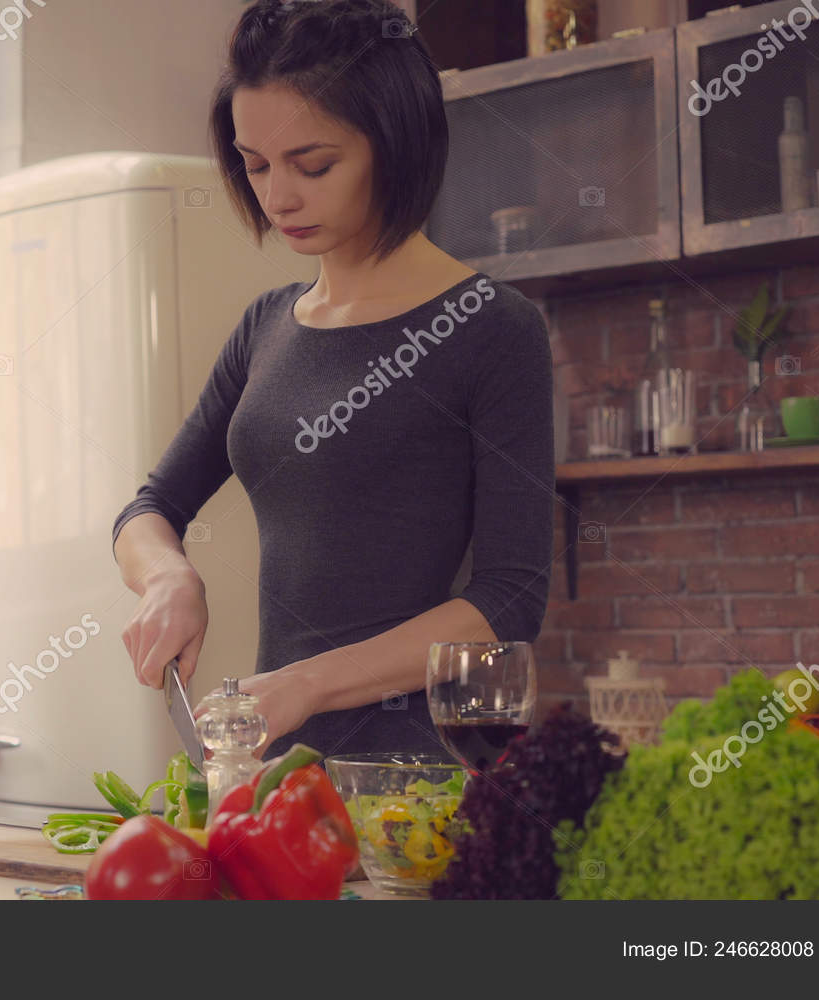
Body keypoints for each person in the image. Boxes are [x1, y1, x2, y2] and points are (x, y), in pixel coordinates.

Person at [110, 0, 554, 761]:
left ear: (395, 145)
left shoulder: (493, 327)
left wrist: (305, 685)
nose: (277, 197)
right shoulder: (266, 327)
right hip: (280, 771)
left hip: (421, 783)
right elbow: (150, 509)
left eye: (312, 165)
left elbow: (509, 600)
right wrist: (167, 579)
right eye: (255, 165)